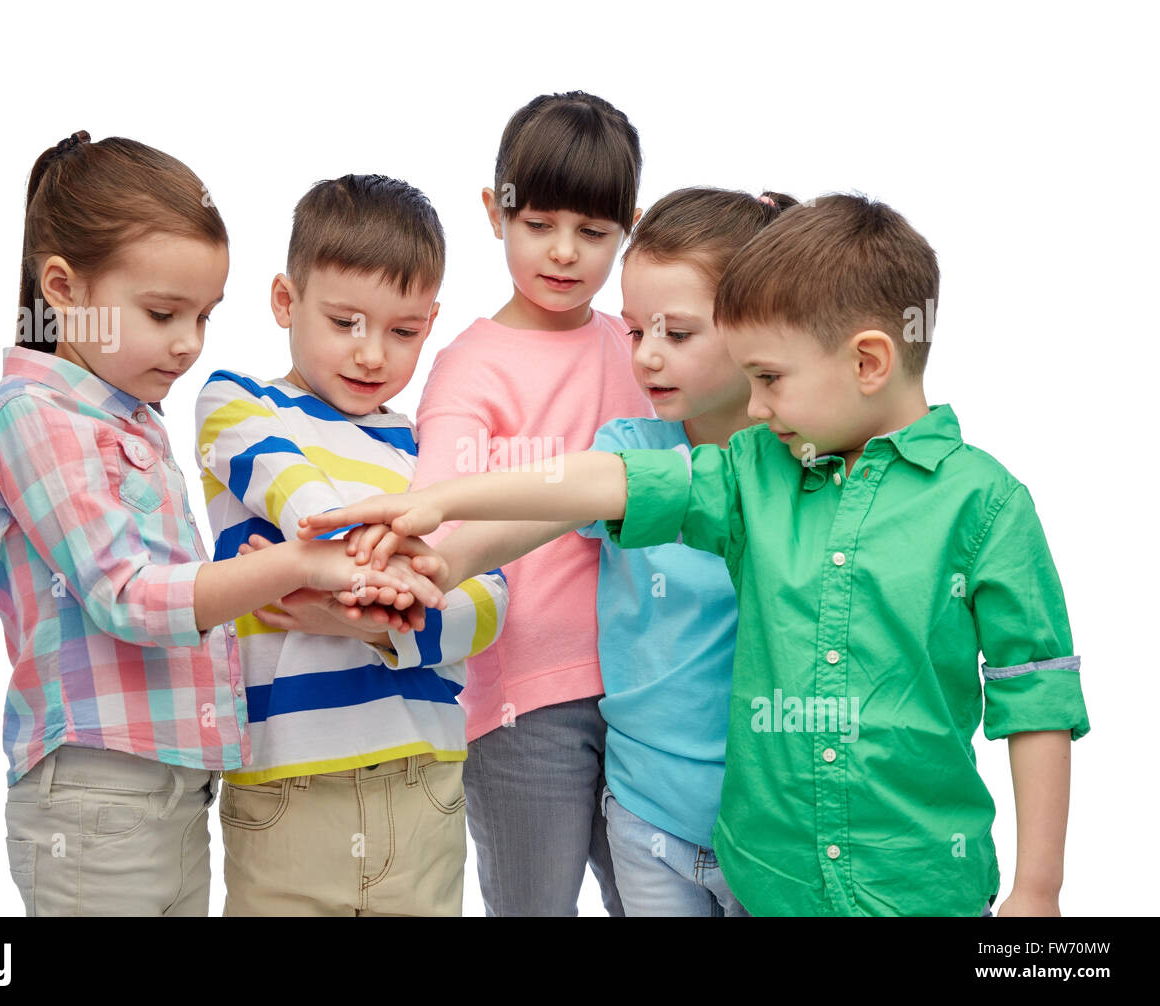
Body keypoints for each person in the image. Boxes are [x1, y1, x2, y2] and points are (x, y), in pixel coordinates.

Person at [299, 193, 1090, 916]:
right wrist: (443, 505)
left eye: (772, 379)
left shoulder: (987, 505)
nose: (756, 407)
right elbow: (601, 480)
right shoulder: (753, 475)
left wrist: (1038, 888)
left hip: (923, 883)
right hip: (761, 872)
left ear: (870, 362)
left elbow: (1036, 697)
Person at [0, 134, 440, 917]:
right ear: (62, 286)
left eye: (204, 315)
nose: (188, 343)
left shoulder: (129, 414)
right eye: (162, 313)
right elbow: (127, 595)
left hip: (175, 790)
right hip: (97, 790)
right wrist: (299, 565)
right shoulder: (36, 415)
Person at [194, 174, 508, 916]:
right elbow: (301, 503)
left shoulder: (429, 447)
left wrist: (373, 624)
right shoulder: (238, 401)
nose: (372, 355)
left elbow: (490, 599)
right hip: (287, 789)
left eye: (402, 331)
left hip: (422, 779)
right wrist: (392, 560)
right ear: (284, 301)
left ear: (431, 323)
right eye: (345, 322)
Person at [399, 90, 653, 916]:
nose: (565, 252)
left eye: (594, 232)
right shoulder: (474, 365)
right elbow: (438, 506)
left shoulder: (637, 344)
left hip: (647, 689)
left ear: (629, 229)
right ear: (495, 212)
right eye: (539, 223)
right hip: (522, 699)